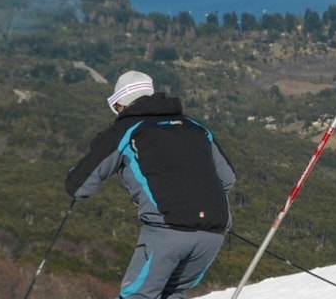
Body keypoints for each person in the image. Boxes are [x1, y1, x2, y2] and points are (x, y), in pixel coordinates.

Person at [65, 71, 236, 299]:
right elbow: (228, 179)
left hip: (167, 231)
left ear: (121, 104)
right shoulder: (196, 127)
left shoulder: (126, 130)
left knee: (139, 295)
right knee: (173, 293)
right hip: (213, 232)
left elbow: (80, 187)